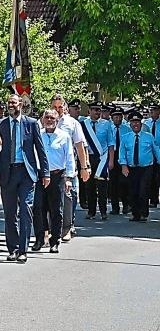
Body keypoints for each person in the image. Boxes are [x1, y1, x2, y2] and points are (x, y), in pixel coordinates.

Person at [0, 94, 49, 263]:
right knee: (10, 213)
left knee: (26, 209)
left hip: (26, 172)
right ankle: (12, 248)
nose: (11, 105)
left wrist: (45, 172)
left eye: (14, 102)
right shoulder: (0, 125)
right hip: (7, 173)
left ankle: (23, 250)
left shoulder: (31, 124)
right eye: (9, 102)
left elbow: (40, 150)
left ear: (21, 104)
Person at [32, 109, 76, 252]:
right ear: (43, 119)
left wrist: (69, 178)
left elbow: (70, 157)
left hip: (57, 176)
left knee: (56, 210)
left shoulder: (64, 136)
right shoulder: (38, 134)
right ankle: (39, 239)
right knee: (38, 207)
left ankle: (55, 240)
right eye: (47, 118)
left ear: (57, 120)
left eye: (52, 118)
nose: (49, 120)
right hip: (40, 176)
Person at [50, 95, 89, 241]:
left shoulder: (72, 123)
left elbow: (80, 146)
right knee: (51, 199)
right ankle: (52, 228)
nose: (58, 110)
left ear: (65, 108)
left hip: (68, 165)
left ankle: (67, 227)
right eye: (55, 107)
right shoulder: (45, 121)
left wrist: (85, 167)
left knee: (69, 196)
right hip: (51, 166)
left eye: (60, 107)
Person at [118, 110, 160, 222]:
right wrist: (123, 165)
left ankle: (143, 213)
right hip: (131, 168)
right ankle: (135, 214)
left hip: (146, 168)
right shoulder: (125, 137)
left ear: (141, 124)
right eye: (133, 122)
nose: (135, 124)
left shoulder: (149, 137)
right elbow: (122, 153)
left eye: (137, 122)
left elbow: (156, 151)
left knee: (143, 190)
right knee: (132, 191)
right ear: (130, 124)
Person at [78, 102, 115, 220]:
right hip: (88, 157)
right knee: (89, 186)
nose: (97, 112)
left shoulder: (106, 124)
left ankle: (103, 211)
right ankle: (91, 211)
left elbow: (111, 143)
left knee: (102, 186)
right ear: (89, 111)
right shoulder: (83, 124)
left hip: (102, 159)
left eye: (99, 110)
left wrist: (111, 161)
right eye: (94, 109)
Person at [109, 107, 132, 215]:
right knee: (113, 183)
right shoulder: (108, 128)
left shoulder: (126, 129)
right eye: (116, 116)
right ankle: (115, 207)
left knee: (124, 182)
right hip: (112, 156)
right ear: (112, 117)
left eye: (120, 117)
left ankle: (126, 205)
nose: (118, 119)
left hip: (124, 157)